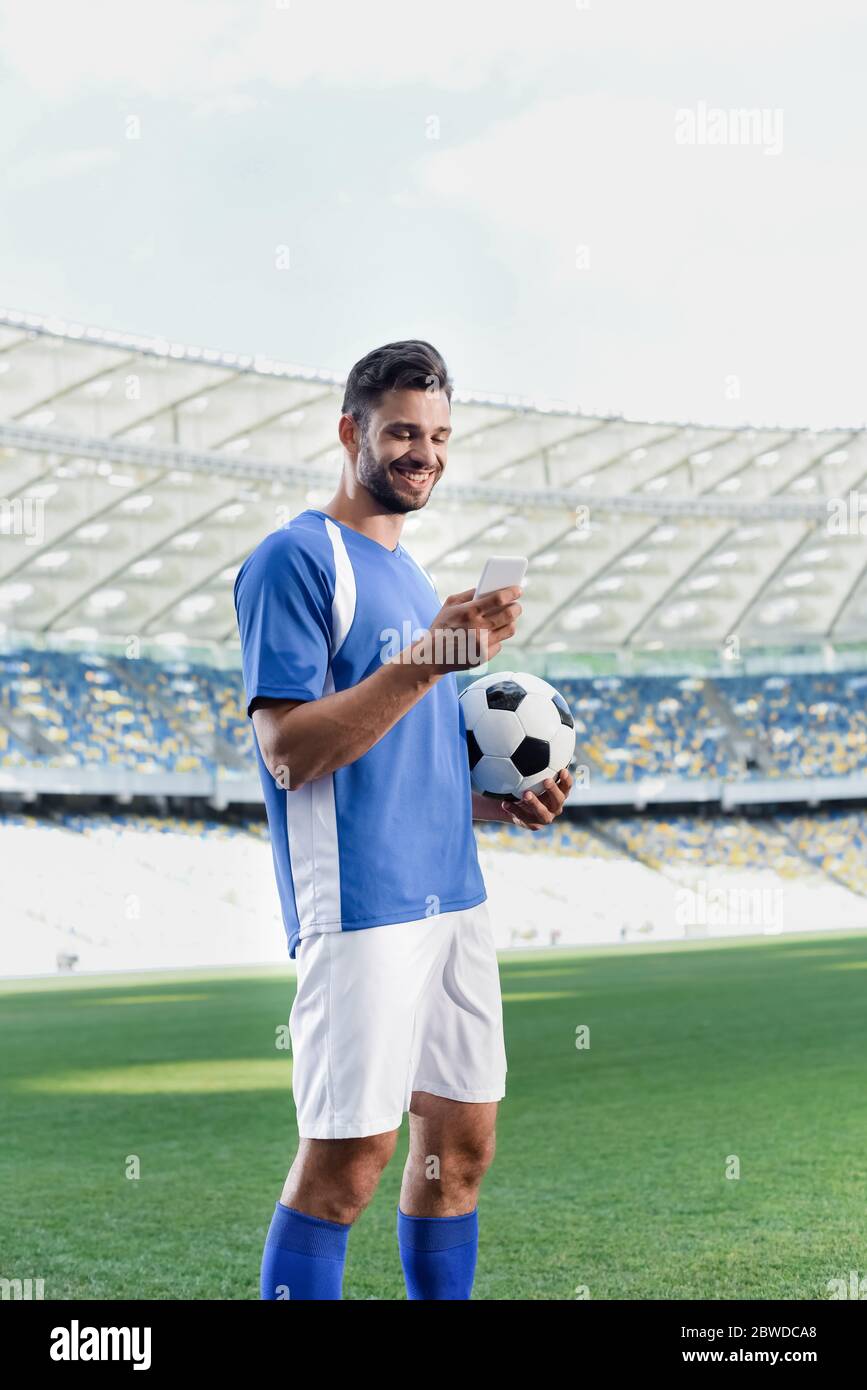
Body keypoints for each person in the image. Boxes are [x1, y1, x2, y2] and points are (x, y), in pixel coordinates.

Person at [234, 339, 572, 1300]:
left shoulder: (421, 581)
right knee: (348, 1165)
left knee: (458, 1152)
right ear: (351, 434)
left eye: (437, 436)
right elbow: (293, 751)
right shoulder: (295, 560)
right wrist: (430, 657)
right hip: (365, 909)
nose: (421, 453)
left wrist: (495, 801)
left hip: (454, 901)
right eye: (400, 433)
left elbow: (402, 756)